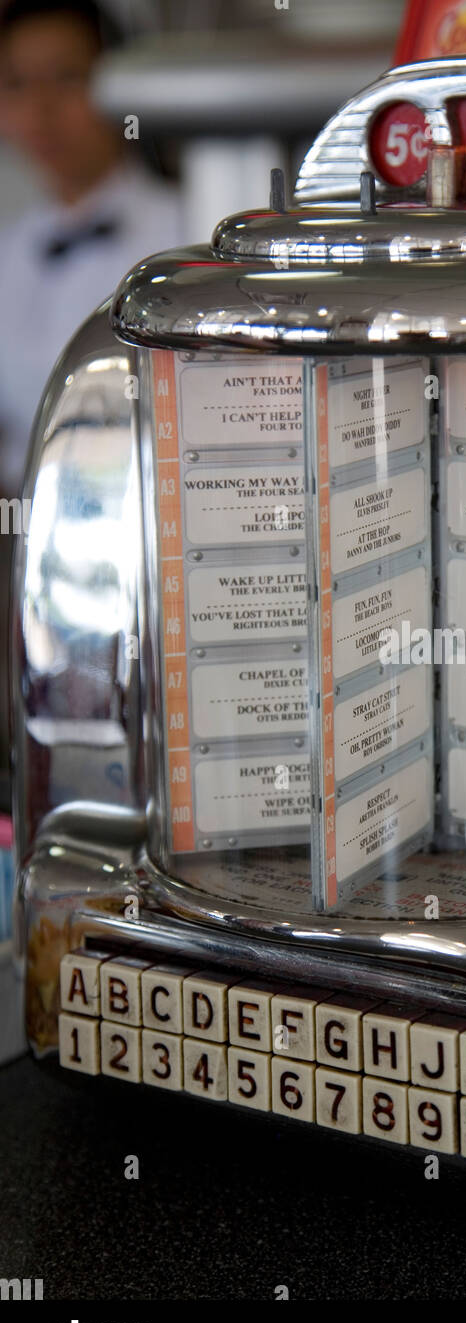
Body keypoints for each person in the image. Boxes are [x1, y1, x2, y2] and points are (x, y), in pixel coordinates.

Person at [0, 0, 183, 808]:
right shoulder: (10, 250)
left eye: (66, 80)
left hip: (142, 549)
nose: (39, 110)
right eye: (15, 85)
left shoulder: (182, 233)